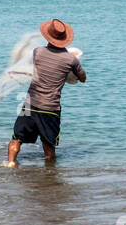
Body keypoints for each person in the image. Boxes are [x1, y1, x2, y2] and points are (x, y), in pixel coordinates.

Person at [6, 18, 85, 167]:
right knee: (49, 146)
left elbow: (25, 68)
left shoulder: (37, 52)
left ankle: (10, 163)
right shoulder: (70, 59)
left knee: (17, 138)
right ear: (64, 39)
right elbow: (82, 78)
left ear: (48, 35)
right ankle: (49, 176)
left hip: (30, 104)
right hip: (50, 109)